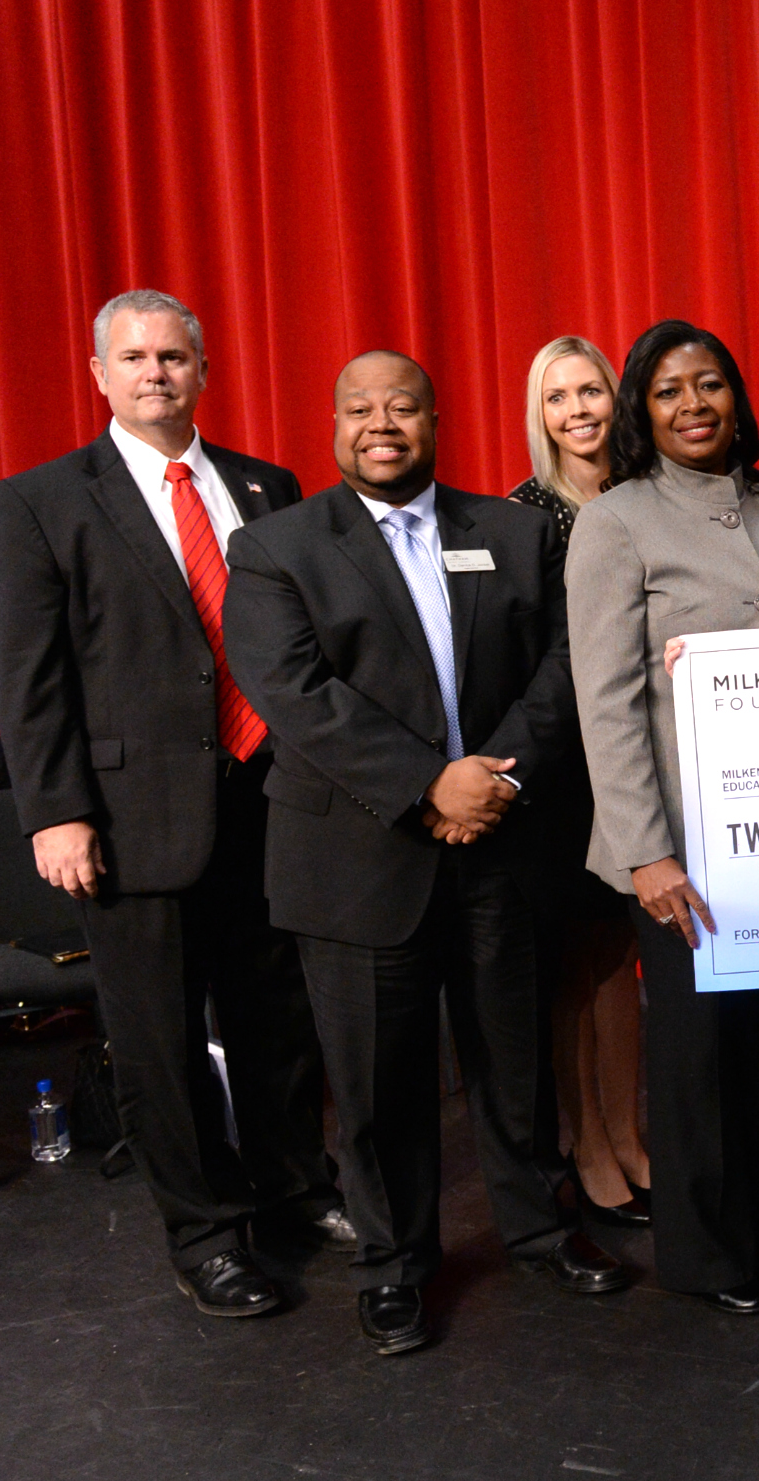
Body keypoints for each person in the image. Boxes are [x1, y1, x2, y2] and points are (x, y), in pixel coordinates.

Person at [224, 349, 626, 1356]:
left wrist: (497, 778)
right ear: (333, 425)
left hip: (501, 838)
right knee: (375, 1082)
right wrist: (426, 784)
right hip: (359, 856)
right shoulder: (276, 545)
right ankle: (395, 1263)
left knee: (514, 1059)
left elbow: (568, 660)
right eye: (361, 408)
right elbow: (293, 691)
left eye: (402, 406)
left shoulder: (517, 530)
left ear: (434, 417)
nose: (383, 423)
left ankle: (538, 1226)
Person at [0, 289, 345, 1318]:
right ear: (100, 374)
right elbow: (29, 672)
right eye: (135, 356)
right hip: (130, 818)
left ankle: (294, 1191)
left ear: (202, 368)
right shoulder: (43, 500)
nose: (156, 371)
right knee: (161, 1038)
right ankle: (205, 1232)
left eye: (175, 355)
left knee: (280, 1018)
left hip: (273, 801)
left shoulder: (268, 487)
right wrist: (55, 810)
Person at [566, 319, 759, 1316]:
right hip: (681, 842)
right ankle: (706, 1250)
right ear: (641, 414)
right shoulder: (616, 521)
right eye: (669, 391)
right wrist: (647, 850)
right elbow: (604, 702)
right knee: (693, 1052)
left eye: (711, 385)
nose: (694, 404)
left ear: (738, 398)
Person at [509, 336, 651, 1229]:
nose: (579, 410)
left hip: (637, 759)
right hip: (566, 771)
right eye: (558, 397)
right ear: (542, 415)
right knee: (573, 963)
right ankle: (587, 1144)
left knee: (620, 961)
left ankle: (631, 1134)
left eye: (591, 389)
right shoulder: (525, 516)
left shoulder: (647, 498)